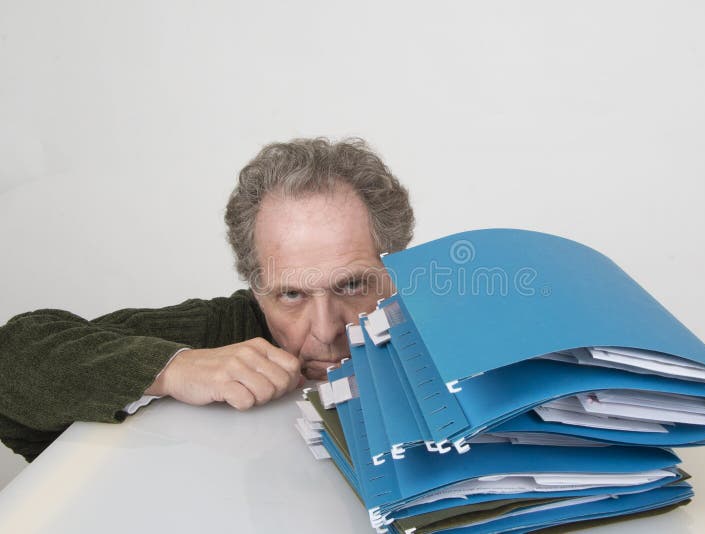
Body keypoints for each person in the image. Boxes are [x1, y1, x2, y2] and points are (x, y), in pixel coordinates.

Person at [0, 137, 415, 462]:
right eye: (291, 294)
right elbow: (11, 355)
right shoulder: (219, 331)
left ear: (394, 272)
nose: (325, 332)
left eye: (353, 286)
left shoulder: (441, 331)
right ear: (256, 290)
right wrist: (174, 368)